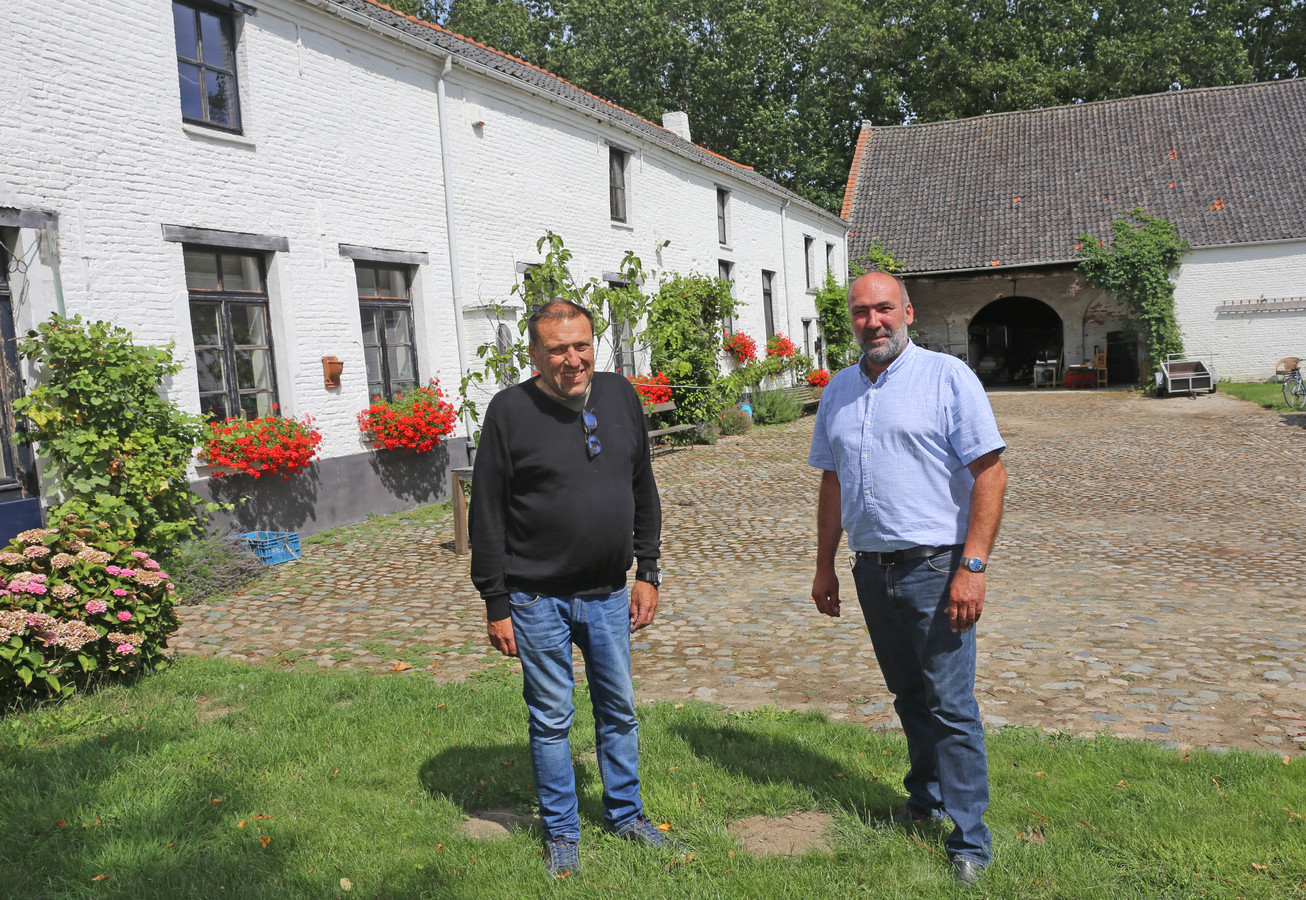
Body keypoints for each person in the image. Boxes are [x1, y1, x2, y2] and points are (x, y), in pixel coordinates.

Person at [808, 272, 1007, 887]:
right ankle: (926, 798)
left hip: (936, 567)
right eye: (862, 312)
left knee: (950, 702)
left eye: (884, 309)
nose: (874, 322)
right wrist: (824, 565)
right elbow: (833, 483)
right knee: (908, 695)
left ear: (908, 312)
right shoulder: (838, 391)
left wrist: (972, 567)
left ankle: (970, 838)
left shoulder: (948, 378)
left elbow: (991, 473)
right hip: (872, 569)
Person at [469, 298, 671, 878]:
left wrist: (648, 570)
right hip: (536, 599)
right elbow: (487, 513)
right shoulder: (509, 411)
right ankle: (562, 833)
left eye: (581, 345)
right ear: (535, 354)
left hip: (609, 592)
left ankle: (626, 814)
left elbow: (643, 486)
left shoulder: (620, 396)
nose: (572, 359)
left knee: (619, 710)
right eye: (557, 349)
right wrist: (496, 601)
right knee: (552, 718)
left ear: (593, 344)